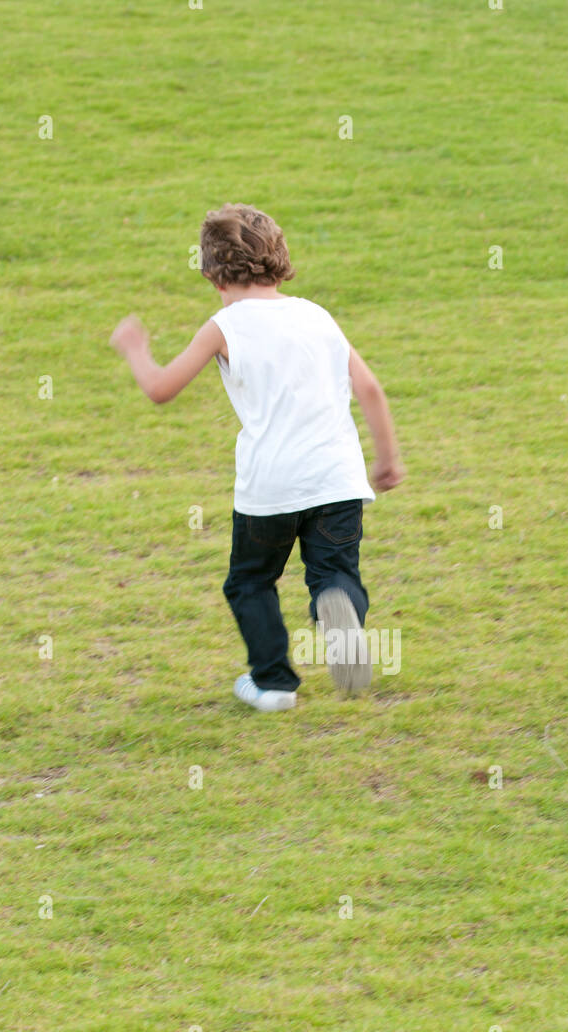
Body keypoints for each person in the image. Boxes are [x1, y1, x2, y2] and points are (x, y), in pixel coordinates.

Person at [111, 202, 404, 711]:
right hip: (337, 480)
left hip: (271, 486)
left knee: (251, 580)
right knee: (334, 574)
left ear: (210, 275)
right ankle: (343, 619)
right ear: (281, 260)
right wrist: (387, 460)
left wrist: (135, 348)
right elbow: (371, 389)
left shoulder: (224, 326)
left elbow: (161, 389)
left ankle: (272, 684)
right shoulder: (316, 315)